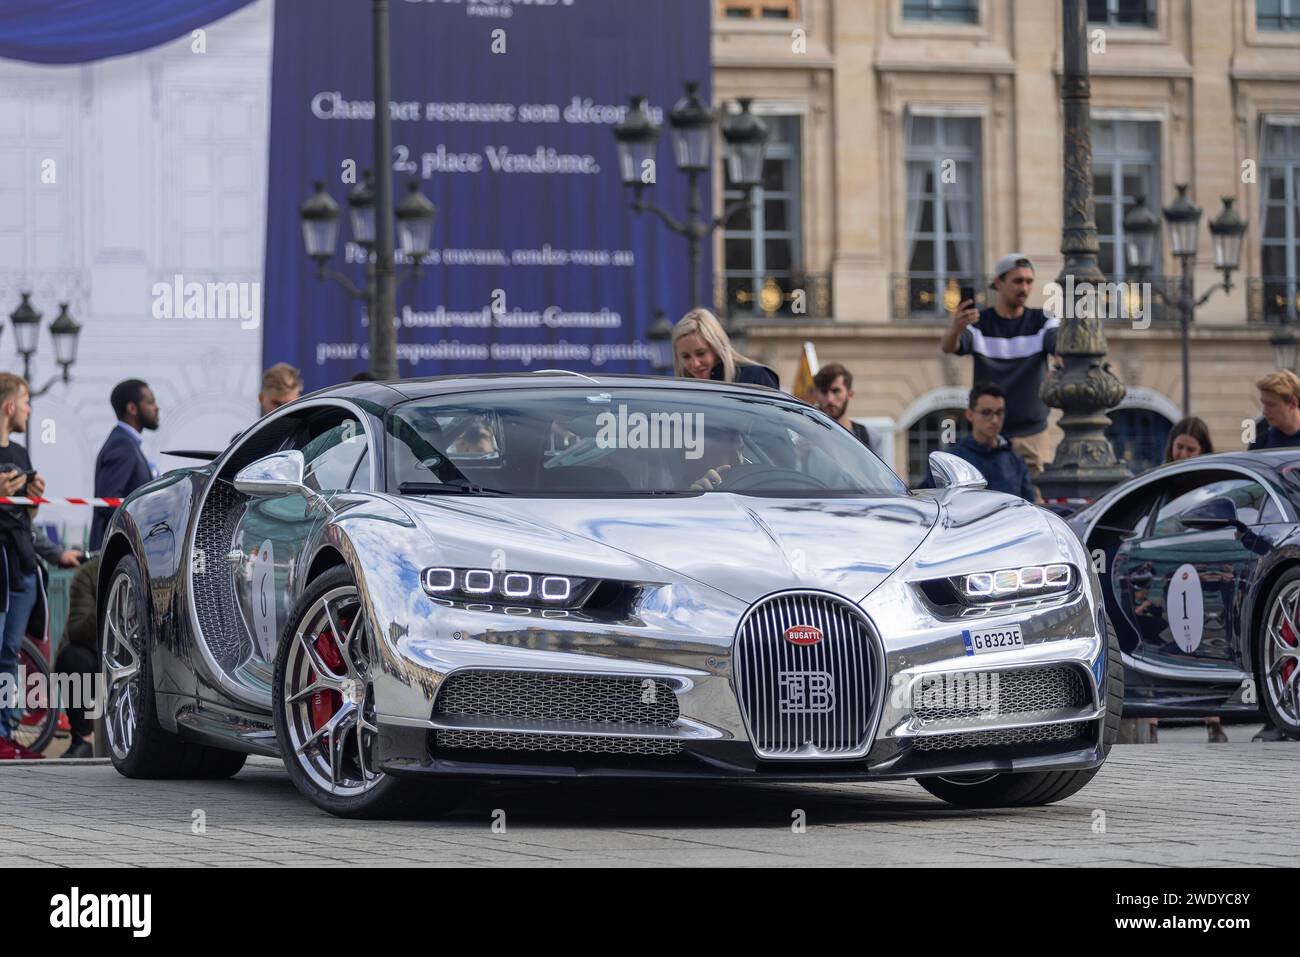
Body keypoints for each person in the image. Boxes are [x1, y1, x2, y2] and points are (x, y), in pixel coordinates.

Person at [940, 253, 1060, 480]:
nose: (1024, 288)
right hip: (988, 434)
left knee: (1033, 500)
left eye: (1028, 281)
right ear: (997, 283)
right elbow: (949, 347)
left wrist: (1061, 366)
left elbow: (1059, 345)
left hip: (1031, 434)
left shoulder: (1043, 321)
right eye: (1017, 281)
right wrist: (955, 327)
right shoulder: (979, 323)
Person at [0, 373, 67, 759]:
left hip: (23, 565)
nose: (29, 410)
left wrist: (34, 500)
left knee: (10, 654)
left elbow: (25, 519)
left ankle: (7, 735)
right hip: (3, 565)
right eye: (25, 402)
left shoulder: (23, 456)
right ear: (10, 406)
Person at [924, 383, 1035, 502]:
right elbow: (929, 500)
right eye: (986, 413)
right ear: (970, 415)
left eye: (999, 413)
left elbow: (1027, 506)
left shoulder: (1015, 461)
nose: (994, 420)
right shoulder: (953, 459)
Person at [89, 379, 160, 552]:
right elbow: (109, 504)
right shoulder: (122, 445)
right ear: (132, 409)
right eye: (150, 402)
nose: (156, 407)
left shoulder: (127, 443)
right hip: (118, 552)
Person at [55, 554, 99, 759]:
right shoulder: (89, 574)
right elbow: (77, 631)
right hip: (99, 651)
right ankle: (83, 739)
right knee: (72, 659)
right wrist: (108, 598)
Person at [672, 309, 779, 389]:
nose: (695, 364)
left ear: (717, 348)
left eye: (701, 353)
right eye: (686, 356)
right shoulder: (680, 393)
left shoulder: (756, 377)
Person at [813, 363, 872, 448]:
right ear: (816, 395)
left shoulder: (868, 437)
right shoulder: (804, 434)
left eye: (835, 391)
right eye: (824, 391)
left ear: (850, 394)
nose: (830, 399)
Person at [1249, 370, 1300, 450]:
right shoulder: (1260, 443)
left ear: (1293, 404)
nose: (1264, 412)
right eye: (1263, 404)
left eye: (1271, 405)